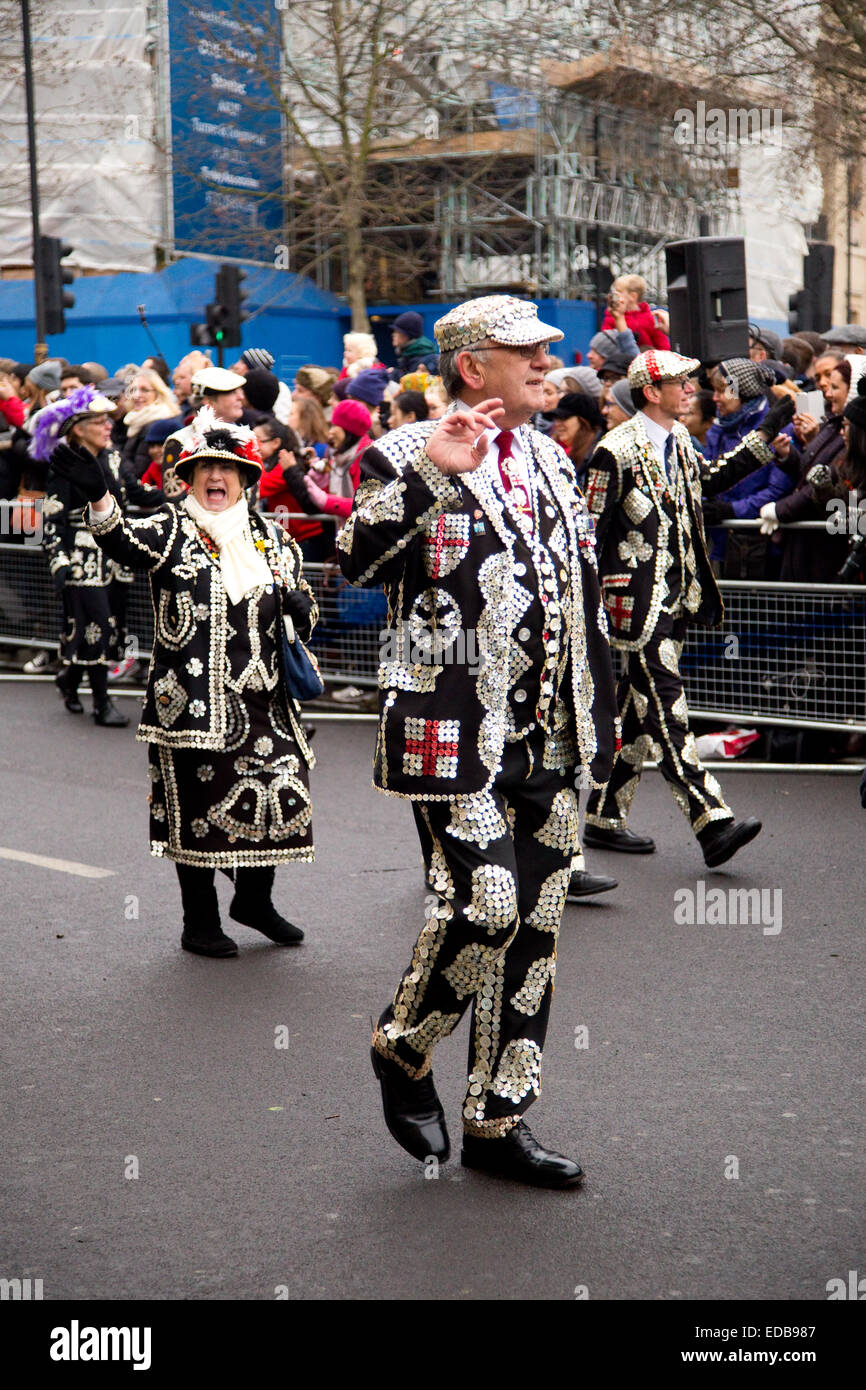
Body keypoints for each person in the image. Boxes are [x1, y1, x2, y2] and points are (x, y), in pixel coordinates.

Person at [338, 294, 619, 1187]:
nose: (549, 363)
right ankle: (403, 1045)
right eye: (527, 352)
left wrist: (597, 723)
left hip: (547, 736)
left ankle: (500, 1121)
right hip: (451, 734)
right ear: (472, 367)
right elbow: (355, 560)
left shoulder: (552, 458)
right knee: (486, 904)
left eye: (551, 351)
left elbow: (572, 600)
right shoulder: (403, 452)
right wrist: (435, 474)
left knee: (533, 928)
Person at [60, 409, 318, 957]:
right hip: (193, 705)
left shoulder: (275, 541)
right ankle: (199, 923)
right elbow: (122, 541)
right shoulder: (172, 527)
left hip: (266, 703)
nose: (216, 476)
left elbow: (302, 614)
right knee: (197, 812)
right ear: (188, 476)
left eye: (227, 467)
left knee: (280, 796)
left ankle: (254, 901)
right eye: (205, 467)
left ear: (245, 478)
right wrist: (101, 499)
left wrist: (302, 606)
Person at [582, 349, 795, 867]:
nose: (692, 391)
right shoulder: (615, 450)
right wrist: (590, 611)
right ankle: (710, 818)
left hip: (676, 597)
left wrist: (767, 434)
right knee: (667, 706)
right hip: (633, 607)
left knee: (640, 711)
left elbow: (712, 479)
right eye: (681, 383)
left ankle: (604, 817)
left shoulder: (678, 440)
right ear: (652, 392)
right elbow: (587, 535)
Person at [31, 387, 131, 727]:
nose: (107, 427)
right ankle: (102, 703)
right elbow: (52, 517)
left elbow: (133, 494)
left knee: (109, 626)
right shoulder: (66, 465)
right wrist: (59, 561)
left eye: (108, 421)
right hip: (81, 560)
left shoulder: (114, 459)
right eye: (99, 421)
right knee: (97, 626)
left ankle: (69, 680)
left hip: (114, 558)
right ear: (78, 428)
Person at [548, 391, 604, 489]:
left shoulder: (596, 455)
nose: (557, 423)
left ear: (583, 421)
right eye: (556, 418)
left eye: (563, 418)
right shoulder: (550, 449)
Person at [601, 275, 670, 350]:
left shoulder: (650, 318)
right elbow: (605, 342)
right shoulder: (612, 317)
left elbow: (663, 346)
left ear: (633, 296)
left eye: (619, 292)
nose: (615, 296)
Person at [390, 311, 439, 375]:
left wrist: (394, 374)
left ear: (406, 335)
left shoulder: (422, 359)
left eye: (397, 331)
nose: (393, 335)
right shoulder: (410, 354)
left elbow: (410, 381)